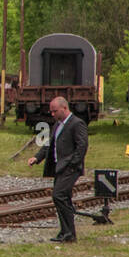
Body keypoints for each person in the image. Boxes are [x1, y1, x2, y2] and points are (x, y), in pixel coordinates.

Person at [27, 96, 88, 242]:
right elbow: (49, 144)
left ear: (64, 108)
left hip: (70, 168)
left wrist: (73, 164)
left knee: (59, 196)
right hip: (59, 168)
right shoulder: (58, 125)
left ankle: (69, 233)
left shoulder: (77, 124)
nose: (52, 114)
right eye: (51, 112)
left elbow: (82, 146)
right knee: (62, 198)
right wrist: (37, 158)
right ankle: (66, 233)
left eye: (55, 111)